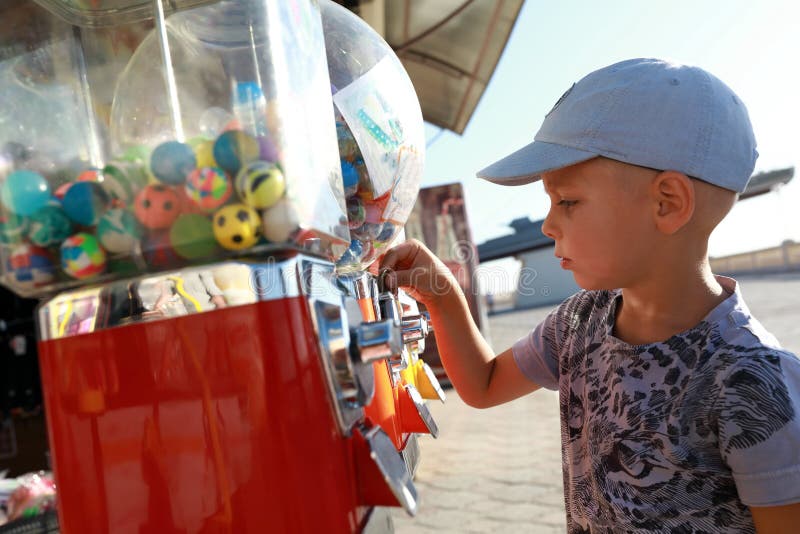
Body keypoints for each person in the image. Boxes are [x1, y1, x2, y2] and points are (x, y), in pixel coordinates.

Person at [380, 58, 800, 533]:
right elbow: (482, 384)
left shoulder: (751, 382)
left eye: (567, 201)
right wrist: (442, 294)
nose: (547, 223)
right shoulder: (581, 322)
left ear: (668, 203)